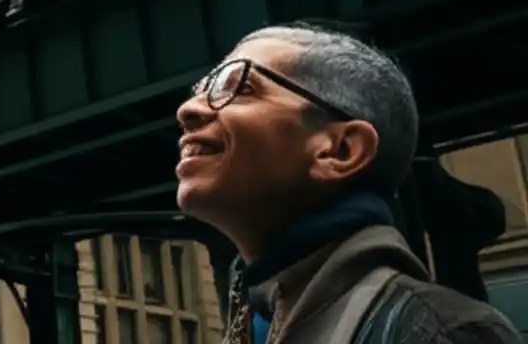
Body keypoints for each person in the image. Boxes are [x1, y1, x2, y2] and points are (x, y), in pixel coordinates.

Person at [175, 23, 521, 344]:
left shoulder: (440, 332)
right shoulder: (254, 323)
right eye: (202, 89)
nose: (188, 109)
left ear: (340, 150)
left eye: (239, 87)